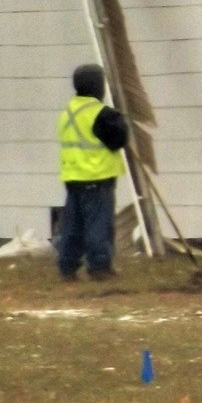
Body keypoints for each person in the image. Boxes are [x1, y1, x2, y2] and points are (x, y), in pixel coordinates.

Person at [57, 63, 128, 281]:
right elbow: (119, 140)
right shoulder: (100, 113)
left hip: (73, 178)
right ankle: (99, 267)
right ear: (98, 86)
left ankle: (67, 267)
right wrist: (120, 120)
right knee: (98, 226)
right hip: (96, 178)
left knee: (72, 226)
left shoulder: (68, 111)